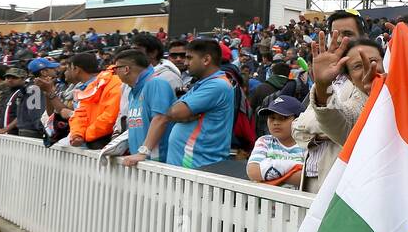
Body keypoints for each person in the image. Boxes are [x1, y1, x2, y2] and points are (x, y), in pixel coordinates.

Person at [292, 35, 383, 192]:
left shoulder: (405, 94)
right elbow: (337, 121)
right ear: (349, 78)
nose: (369, 67)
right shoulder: (357, 103)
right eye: (357, 66)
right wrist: (322, 86)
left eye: (373, 60)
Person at [164, 38, 235, 169]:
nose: (185, 63)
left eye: (190, 58)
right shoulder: (202, 83)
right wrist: (176, 114)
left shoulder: (217, 85)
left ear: (206, 60)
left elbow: (175, 112)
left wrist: (179, 115)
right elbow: (171, 113)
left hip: (198, 167)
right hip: (189, 167)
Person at [113, 48, 177, 165]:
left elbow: (161, 119)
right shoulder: (133, 91)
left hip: (157, 162)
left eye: (116, 69)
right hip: (141, 161)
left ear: (126, 69)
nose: (115, 73)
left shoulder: (156, 83)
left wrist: (143, 152)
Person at [63, 52, 122, 149]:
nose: (65, 72)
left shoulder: (114, 82)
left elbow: (110, 117)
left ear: (77, 69)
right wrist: (77, 135)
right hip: (90, 141)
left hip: (102, 143)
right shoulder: (92, 85)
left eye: (68, 69)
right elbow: (80, 114)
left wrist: (85, 134)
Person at [247, 95, 307, 188]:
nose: (275, 123)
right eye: (272, 118)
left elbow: (307, 178)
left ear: (298, 120)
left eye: (283, 118)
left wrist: (267, 170)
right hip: (264, 201)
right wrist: (296, 167)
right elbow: (253, 172)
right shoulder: (264, 141)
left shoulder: (306, 145)